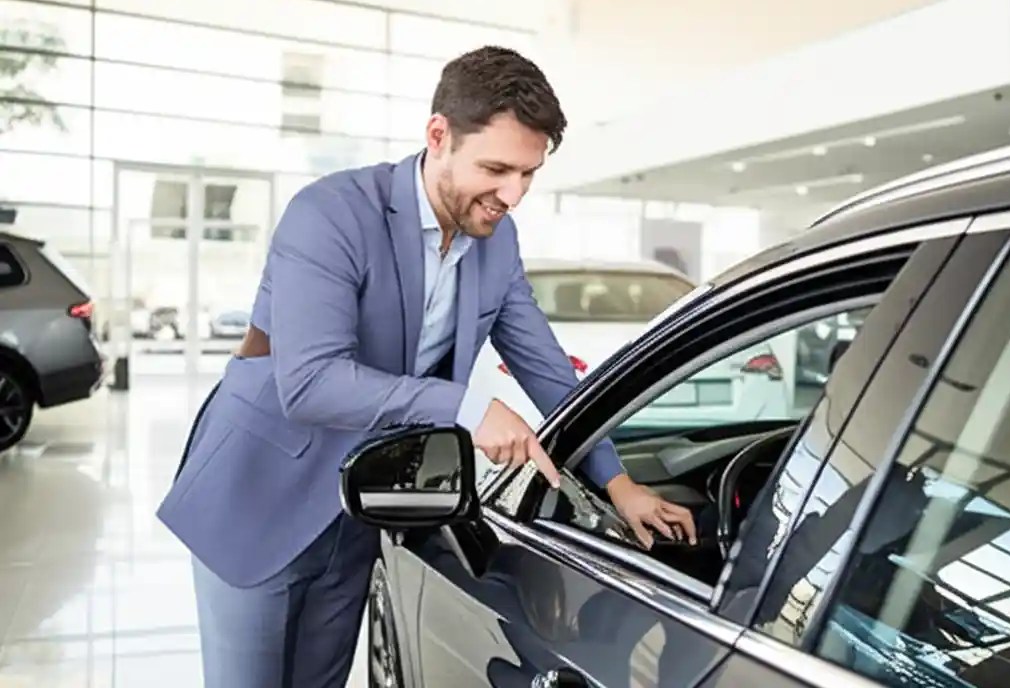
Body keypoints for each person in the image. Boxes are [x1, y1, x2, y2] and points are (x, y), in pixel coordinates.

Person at [156, 46, 696, 688]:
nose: (513, 194)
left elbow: (546, 366)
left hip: (359, 504)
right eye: (496, 168)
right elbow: (309, 382)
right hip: (258, 496)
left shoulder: (496, 243)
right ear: (438, 136)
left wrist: (618, 482)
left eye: (528, 173)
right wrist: (469, 410)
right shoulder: (330, 214)